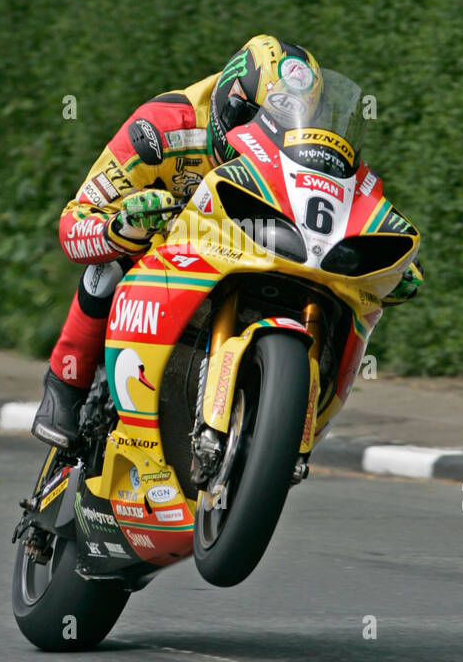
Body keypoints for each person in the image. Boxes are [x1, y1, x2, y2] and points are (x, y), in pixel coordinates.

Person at [32, 34, 421, 447]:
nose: (265, 134)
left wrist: (386, 264)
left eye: (288, 124)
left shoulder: (299, 152)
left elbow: (335, 210)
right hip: (167, 256)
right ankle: (65, 387)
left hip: (253, 256)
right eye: (253, 118)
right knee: (105, 268)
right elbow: (74, 224)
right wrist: (120, 227)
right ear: (230, 100)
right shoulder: (161, 128)